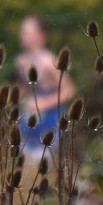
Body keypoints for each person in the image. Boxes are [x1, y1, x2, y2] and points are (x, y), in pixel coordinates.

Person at [15, 15, 75, 159]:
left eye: (28, 32)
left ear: (41, 35)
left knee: (45, 159)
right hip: (29, 116)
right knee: (24, 158)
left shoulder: (49, 61)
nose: (23, 36)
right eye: (22, 32)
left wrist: (43, 103)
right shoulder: (20, 61)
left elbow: (69, 90)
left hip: (50, 116)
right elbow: (28, 88)